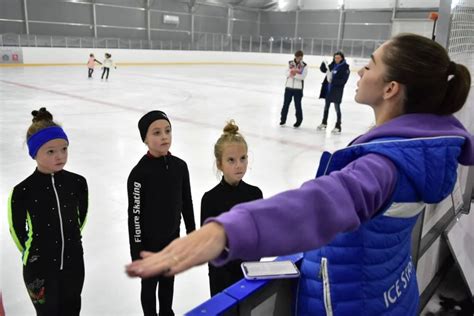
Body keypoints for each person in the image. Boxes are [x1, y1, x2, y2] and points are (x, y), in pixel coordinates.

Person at [126, 33, 474, 315]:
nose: (359, 71)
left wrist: (226, 230)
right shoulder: (417, 150)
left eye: (369, 66)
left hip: (348, 303)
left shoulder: (383, 164)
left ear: (390, 89)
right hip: (391, 291)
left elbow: (319, 205)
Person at [8, 107, 88, 316]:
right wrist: (32, 254)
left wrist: (71, 242)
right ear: (35, 153)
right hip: (39, 269)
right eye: (50, 151)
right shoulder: (22, 191)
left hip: (74, 263)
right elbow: (17, 232)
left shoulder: (78, 183)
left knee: (72, 310)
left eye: (64, 149)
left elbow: (81, 218)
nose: (60, 156)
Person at [127, 110, 196, 316]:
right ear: (145, 139)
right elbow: (135, 215)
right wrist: (137, 250)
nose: (164, 136)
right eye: (156, 133)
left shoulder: (180, 167)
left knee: (168, 281)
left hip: (172, 240)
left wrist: (192, 234)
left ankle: (167, 312)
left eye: (167, 131)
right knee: (149, 287)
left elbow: (186, 203)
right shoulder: (139, 174)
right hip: (148, 245)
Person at [200, 120, 263, 297]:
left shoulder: (255, 194)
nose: (239, 165)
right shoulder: (210, 199)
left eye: (243, 158)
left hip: (249, 274)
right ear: (219, 164)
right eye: (231, 160)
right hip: (222, 278)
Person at [317, 51, 350, 134]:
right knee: (326, 108)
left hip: (337, 92)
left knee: (337, 109)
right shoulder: (332, 65)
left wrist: (333, 80)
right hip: (328, 90)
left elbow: (343, 81)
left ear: (342, 58)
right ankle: (324, 123)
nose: (336, 59)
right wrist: (323, 64)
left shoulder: (345, 68)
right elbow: (324, 70)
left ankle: (338, 126)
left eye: (338, 58)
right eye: (335, 57)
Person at [279, 50, 308, 128]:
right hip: (288, 88)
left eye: (300, 58)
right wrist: (292, 73)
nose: (299, 59)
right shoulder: (290, 63)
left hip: (298, 89)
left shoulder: (304, 65)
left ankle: (298, 121)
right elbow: (286, 73)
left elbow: (302, 77)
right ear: (295, 56)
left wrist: (293, 75)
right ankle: (282, 120)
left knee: (297, 105)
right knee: (285, 105)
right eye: (298, 57)